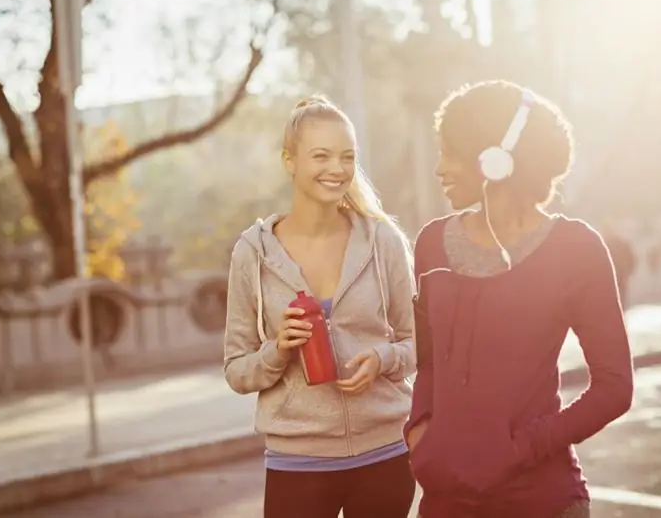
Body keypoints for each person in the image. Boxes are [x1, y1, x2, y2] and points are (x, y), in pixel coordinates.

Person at [404, 80, 634, 518]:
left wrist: (520, 448)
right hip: (446, 502)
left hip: (541, 501)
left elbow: (615, 387)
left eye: (450, 152)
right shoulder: (431, 243)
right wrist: (421, 430)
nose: (439, 168)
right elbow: (429, 359)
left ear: (494, 159)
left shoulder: (576, 248)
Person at [224, 95, 417, 518]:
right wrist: (278, 350)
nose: (337, 169)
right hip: (297, 464)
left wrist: (383, 358)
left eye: (347, 156)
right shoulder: (253, 254)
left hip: (384, 456)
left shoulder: (383, 243)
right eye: (321, 156)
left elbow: (417, 344)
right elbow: (236, 370)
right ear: (289, 161)